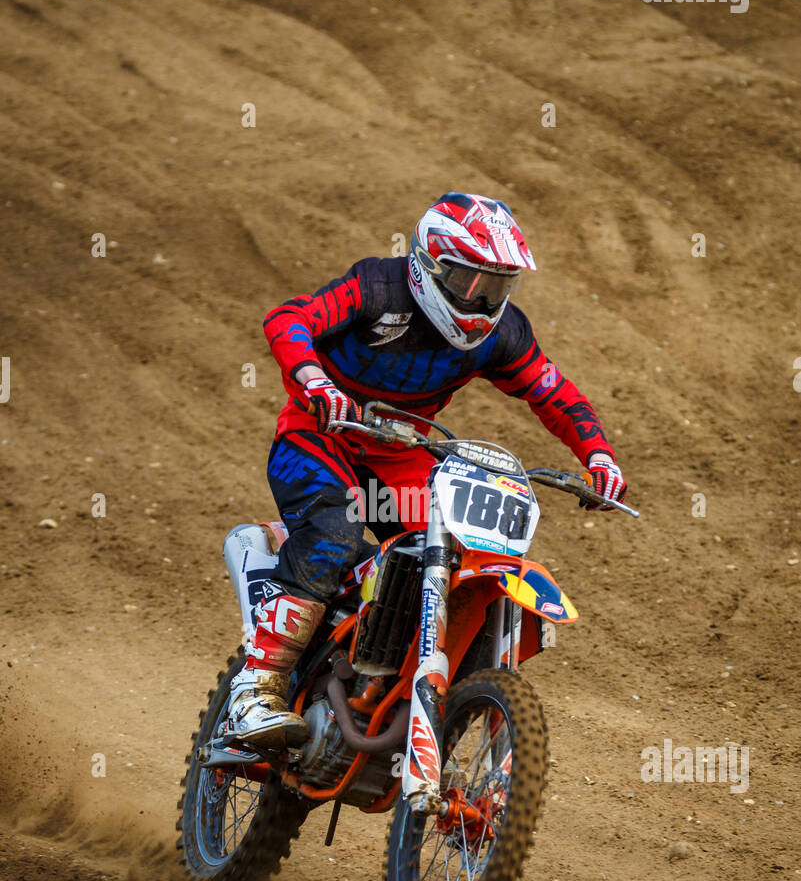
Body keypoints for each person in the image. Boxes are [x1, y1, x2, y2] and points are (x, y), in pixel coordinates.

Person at [226, 192, 627, 747]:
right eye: (470, 281)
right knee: (333, 531)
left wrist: (598, 454)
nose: (482, 300)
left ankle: (383, 681)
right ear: (430, 264)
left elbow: (552, 391)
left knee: (449, 557)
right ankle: (255, 689)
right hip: (318, 436)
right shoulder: (378, 286)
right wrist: (316, 381)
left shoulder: (503, 333)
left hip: (402, 457)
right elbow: (288, 317)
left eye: (496, 287)